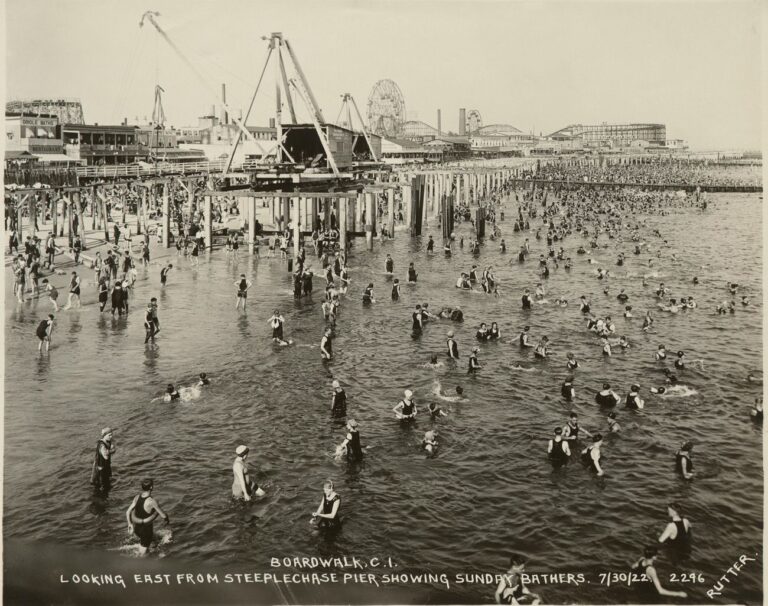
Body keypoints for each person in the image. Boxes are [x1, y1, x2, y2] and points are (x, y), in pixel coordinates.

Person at [125, 479, 170, 556]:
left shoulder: (136, 497)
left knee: (153, 541)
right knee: (142, 555)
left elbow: (128, 512)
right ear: (151, 487)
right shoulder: (152, 501)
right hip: (146, 531)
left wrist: (130, 524)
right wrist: (167, 519)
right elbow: (163, 515)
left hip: (137, 529)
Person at [90, 427, 116, 492]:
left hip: (106, 466)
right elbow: (106, 457)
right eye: (109, 435)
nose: (111, 436)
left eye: (111, 434)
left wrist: (111, 450)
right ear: (104, 435)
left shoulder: (108, 442)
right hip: (101, 469)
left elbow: (112, 449)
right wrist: (112, 450)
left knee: (107, 483)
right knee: (102, 486)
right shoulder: (101, 445)